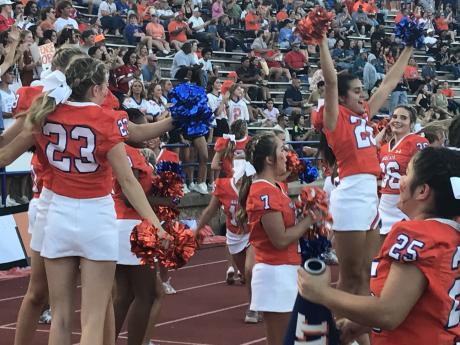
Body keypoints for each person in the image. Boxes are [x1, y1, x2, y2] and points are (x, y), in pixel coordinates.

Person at [10, 57, 168, 345]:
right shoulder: (106, 120)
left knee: (60, 318)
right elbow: (128, 181)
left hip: (57, 212)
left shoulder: (46, 112)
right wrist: (155, 224)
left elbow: (7, 151)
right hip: (96, 215)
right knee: (93, 319)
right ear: (95, 89)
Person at [297, 147, 460, 345]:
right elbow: (426, 306)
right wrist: (363, 324)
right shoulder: (450, 235)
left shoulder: (418, 234)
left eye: (407, 172)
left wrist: (321, 293)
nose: (400, 179)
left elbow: (388, 313)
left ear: (422, 191)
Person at [317, 32, 413, 324]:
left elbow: (389, 82)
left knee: (364, 277)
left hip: (372, 198)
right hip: (351, 198)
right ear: (343, 98)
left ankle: (357, 334)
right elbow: (332, 80)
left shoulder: (364, 115)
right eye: (357, 91)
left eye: (362, 90)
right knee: (348, 278)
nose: (362, 95)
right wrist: (322, 40)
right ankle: (334, 334)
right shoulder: (335, 120)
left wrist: (409, 47)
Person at [237, 132, 318, 345]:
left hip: (285, 269)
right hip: (275, 273)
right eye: (282, 149)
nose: (287, 154)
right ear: (269, 159)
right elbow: (280, 239)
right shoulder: (263, 191)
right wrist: (308, 221)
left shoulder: (274, 186)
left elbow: (289, 174)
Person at [113, 108, 169, 345]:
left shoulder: (129, 152)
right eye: (142, 126)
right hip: (132, 226)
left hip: (123, 225)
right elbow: (128, 194)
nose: (147, 131)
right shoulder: (127, 153)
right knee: (147, 294)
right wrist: (165, 200)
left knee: (125, 295)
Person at [197, 159, 259, 323]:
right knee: (246, 277)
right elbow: (210, 210)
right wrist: (196, 230)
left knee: (250, 270)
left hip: (253, 233)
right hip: (234, 235)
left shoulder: (256, 186)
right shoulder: (223, 186)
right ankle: (261, 297)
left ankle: (253, 307)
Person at [377, 105, 428, 239]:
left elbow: (425, 175)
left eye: (403, 118)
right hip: (384, 205)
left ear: (411, 124)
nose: (397, 120)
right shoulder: (384, 148)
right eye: (394, 117)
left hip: (405, 205)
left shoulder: (417, 142)